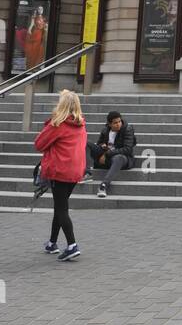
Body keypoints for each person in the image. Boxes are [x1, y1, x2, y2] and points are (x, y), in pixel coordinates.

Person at [34, 89, 88, 261]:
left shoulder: (58, 125)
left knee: (61, 208)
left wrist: (50, 122)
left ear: (61, 105)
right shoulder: (80, 124)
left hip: (59, 171)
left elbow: (39, 144)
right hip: (75, 171)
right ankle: (52, 243)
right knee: (60, 206)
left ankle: (72, 245)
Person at [85, 111, 136, 198]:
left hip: (123, 158)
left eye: (119, 121)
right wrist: (102, 145)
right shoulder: (105, 130)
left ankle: (104, 185)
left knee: (118, 158)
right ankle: (87, 173)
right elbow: (99, 143)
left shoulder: (127, 129)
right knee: (87, 144)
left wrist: (107, 153)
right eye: (115, 123)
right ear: (109, 124)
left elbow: (127, 149)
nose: (118, 124)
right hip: (107, 156)